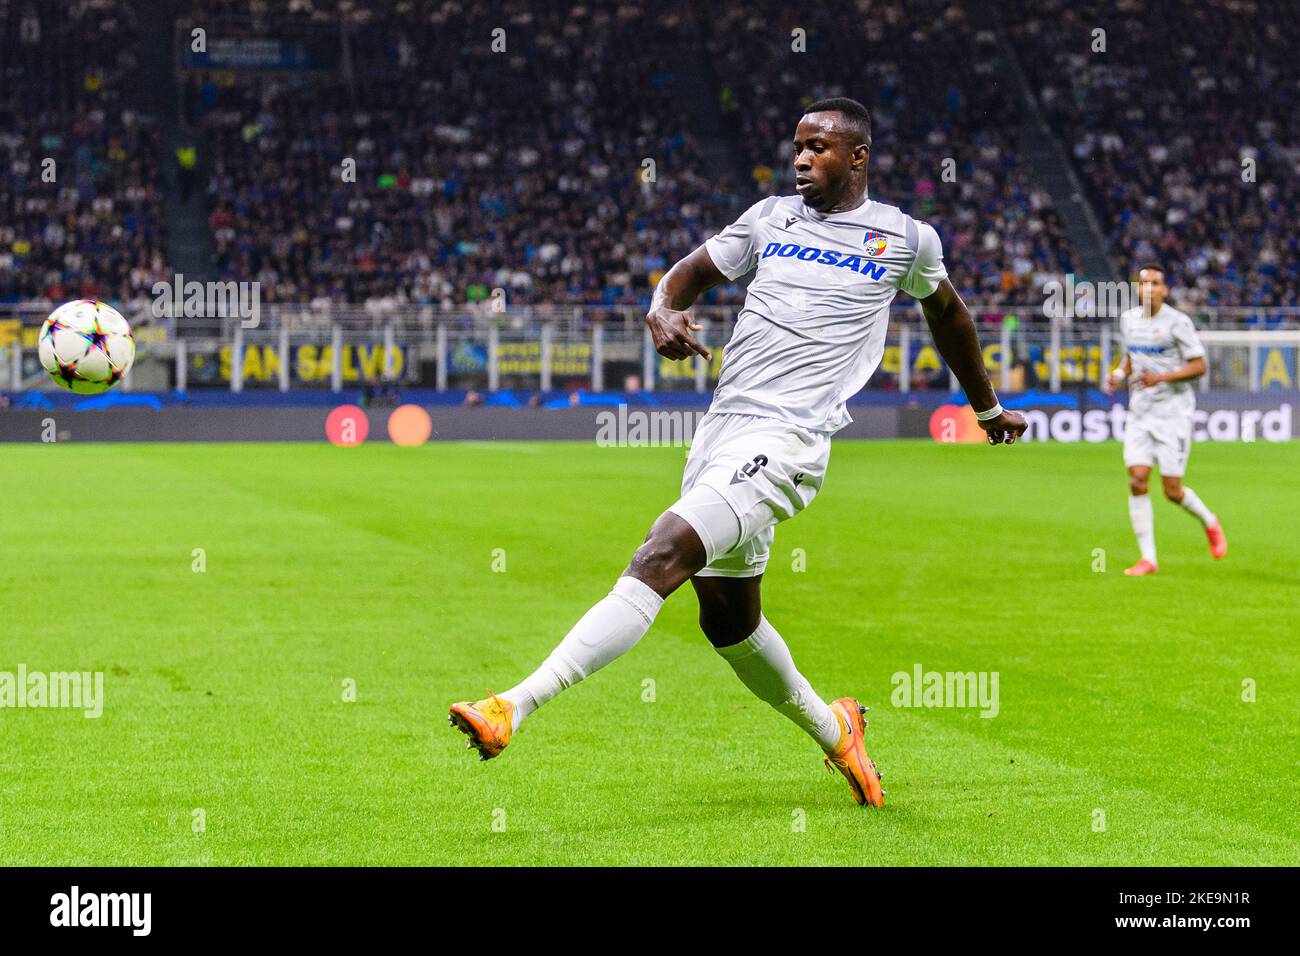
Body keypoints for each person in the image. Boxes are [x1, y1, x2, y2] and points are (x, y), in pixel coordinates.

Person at [450, 98, 1027, 806]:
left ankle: (516, 704)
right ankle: (837, 729)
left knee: (661, 553)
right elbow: (685, 275)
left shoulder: (905, 239)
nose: (801, 159)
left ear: (857, 157)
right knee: (729, 621)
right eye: (797, 147)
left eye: (817, 147)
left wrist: (988, 407)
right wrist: (660, 310)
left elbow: (951, 316)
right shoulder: (768, 218)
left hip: (788, 442)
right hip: (721, 434)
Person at [1103, 265, 1227, 575]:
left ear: (1165, 290)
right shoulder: (1129, 320)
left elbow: (1199, 366)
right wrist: (1119, 374)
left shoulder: (1178, 322)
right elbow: (1131, 356)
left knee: (1172, 490)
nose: (1149, 289)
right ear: (1137, 290)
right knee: (1137, 479)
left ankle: (1210, 521)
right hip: (1140, 412)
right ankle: (1149, 558)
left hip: (1173, 413)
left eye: (1155, 283)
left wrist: (1163, 377)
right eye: (1144, 284)